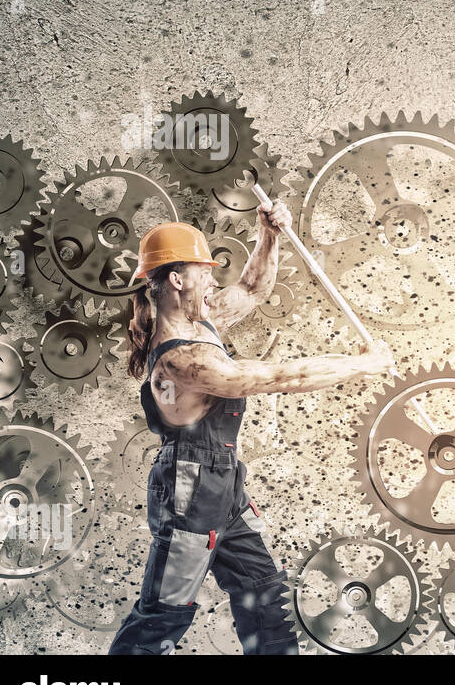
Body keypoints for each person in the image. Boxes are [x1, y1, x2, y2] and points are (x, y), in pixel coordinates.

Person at [108, 202, 395, 655]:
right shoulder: (181, 358)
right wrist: (361, 364)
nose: (212, 277)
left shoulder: (202, 320)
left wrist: (269, 234)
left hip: (224, 483)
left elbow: (253, 288)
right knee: (162, 616)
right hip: (189, 492)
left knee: (264, 597)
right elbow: (278, 377)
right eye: (203, 270)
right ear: (178, 279)